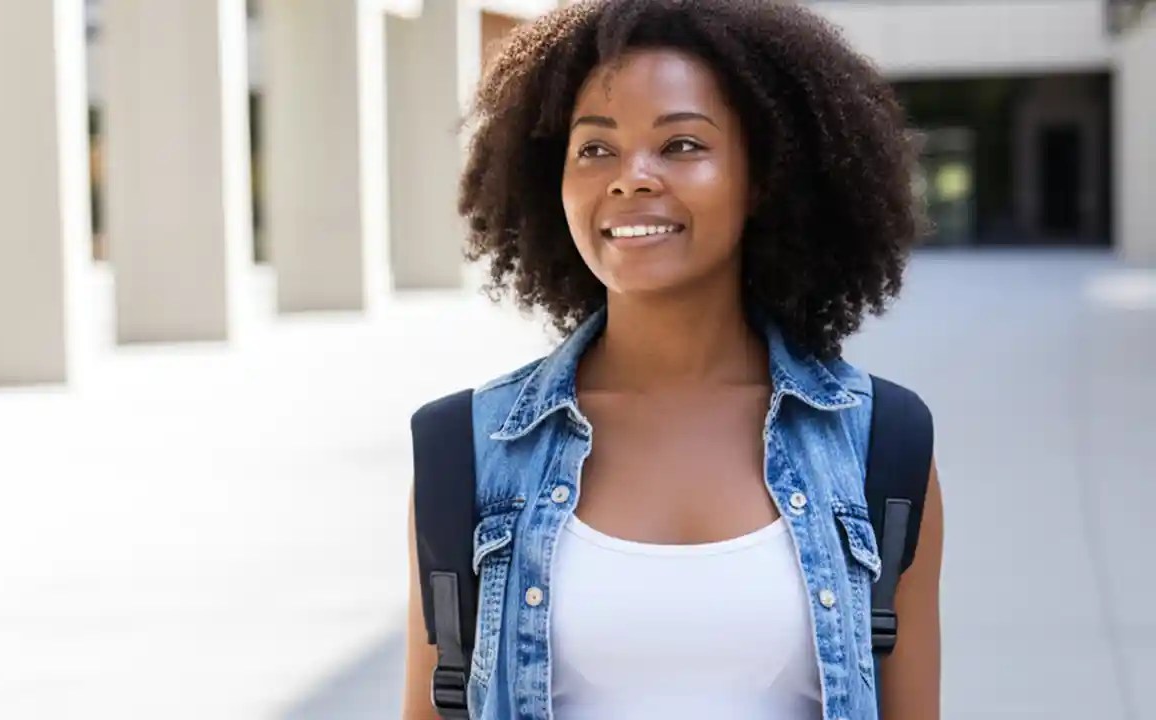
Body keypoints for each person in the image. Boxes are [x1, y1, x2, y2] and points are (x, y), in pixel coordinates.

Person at [403, 1, 943, 718]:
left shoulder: (883, 447)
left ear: (762, 178)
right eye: (595, 149)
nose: (631, 178)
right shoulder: (466, 454)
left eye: (682, 145)